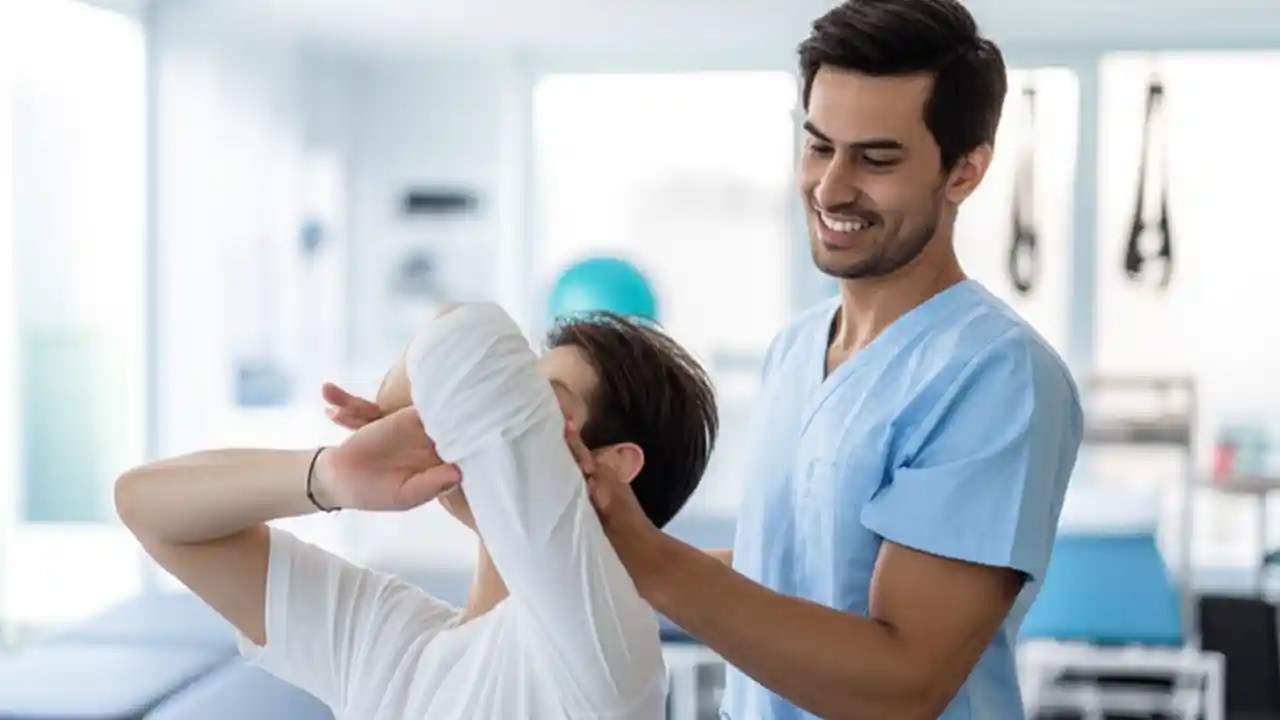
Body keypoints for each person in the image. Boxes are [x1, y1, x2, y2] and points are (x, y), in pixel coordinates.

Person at [573, 1, 1085, 719]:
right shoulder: (796, 348)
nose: (832, 187)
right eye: (819, 148)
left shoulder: (997, 376)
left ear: (964, 172)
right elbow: (788, 574)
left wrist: (650, 562)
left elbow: (904, 682)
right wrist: (588, 549)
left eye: (876, 159)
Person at [115, 302, 718, 719]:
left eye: (538, 407)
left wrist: (393, 401)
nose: (492, 422)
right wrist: (329, 476)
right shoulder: (390, 638)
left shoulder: (599, 640)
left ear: (612, 466)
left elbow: (464, 337)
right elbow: (148, 506)